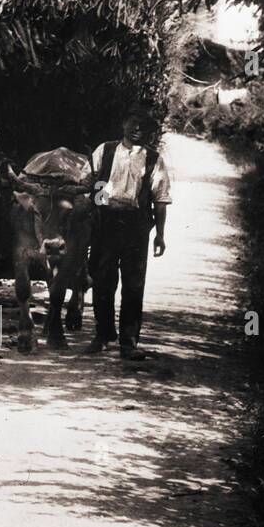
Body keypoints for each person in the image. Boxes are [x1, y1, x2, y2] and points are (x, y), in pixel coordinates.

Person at [85, 105, 171, 360]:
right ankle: (102, 336)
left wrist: (160, 235)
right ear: (123, 124)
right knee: (102, 280)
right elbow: (88, 181)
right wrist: (93, 206)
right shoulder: (105, 150)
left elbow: (161, 199)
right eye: (133, 123)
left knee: (133, 284)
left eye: (142, 126)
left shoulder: (154, 159)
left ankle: (128, 342)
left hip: (137, 225)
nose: (137, 129)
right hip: (106, 222)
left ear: (148, 132)